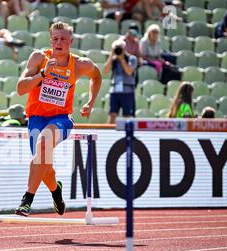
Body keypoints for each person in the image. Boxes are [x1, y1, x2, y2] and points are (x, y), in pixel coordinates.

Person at [14, 21, 102, 217]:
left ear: (71, 41)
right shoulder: (39, 58)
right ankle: (56, 191)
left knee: (44, 143)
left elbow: (97, 76)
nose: (59, 42)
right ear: (50, 41)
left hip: (62, 118)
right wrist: (43, 75)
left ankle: (27, 200)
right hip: (36, 118)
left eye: (63, 39)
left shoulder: (80, 64)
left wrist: (91, 101)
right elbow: (20, 89)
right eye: (55, 39)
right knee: (45, 166)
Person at [104, 38, 137, 124]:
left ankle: (128, 135)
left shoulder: (131, 58)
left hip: (128, 91)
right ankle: (109, 135)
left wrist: (122, 59)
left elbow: (129, 71)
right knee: (112, 115)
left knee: (127, 116)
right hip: (115, 90)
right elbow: (106, 71)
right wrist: (112, 55)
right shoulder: (114, 60)